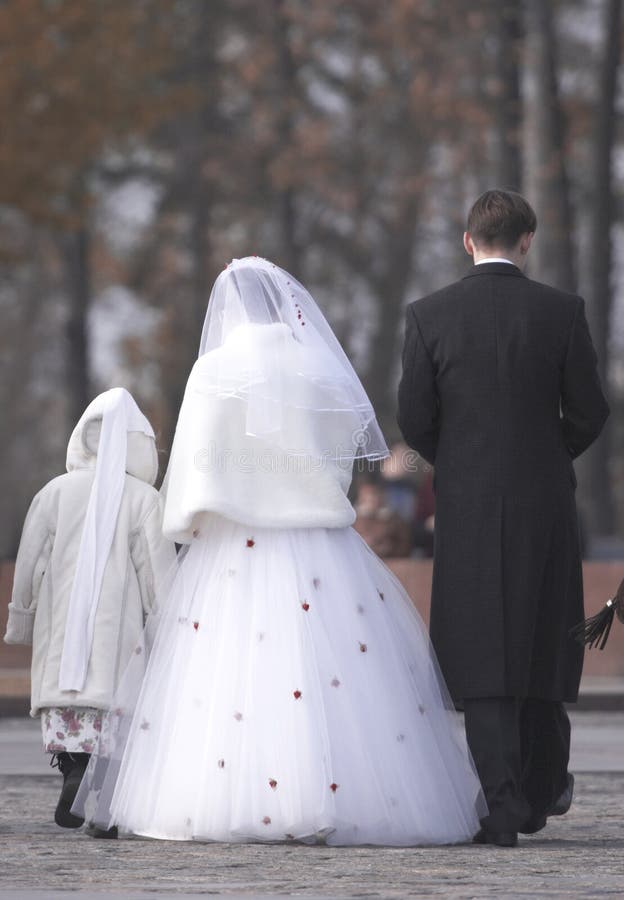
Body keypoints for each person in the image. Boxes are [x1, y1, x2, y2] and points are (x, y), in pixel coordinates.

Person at [75, 256, 485, 846]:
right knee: (328, 676)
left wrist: (188, 521)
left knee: (229, 677)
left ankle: (231, 800)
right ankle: (328, 796)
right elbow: (341, 456)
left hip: (234, 547)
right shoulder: (317, 367)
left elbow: (195, 464)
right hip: (320, 544)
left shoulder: (215, 370)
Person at [397, 189, 610, 847]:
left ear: (468, 241)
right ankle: (543, 789)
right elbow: (591, 410)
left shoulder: (428, 315)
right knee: (545, 634)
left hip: (467, 502)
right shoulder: (562, 311)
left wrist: (460, 463)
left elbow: (414, 418)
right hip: (544, 499)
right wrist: (546, 454)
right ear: (527, 240)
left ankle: (502, 804)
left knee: (482, 642)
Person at [4, 388, 176, 829]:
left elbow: (29, 562)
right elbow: (157, 572)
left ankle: (73, 770)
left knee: (68, 705)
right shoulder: (143, 499)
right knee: (115, 716)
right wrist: (169, 627)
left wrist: (22, 616)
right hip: (117, 637)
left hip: (60, 629)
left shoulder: (53, 493)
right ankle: (105, 799)